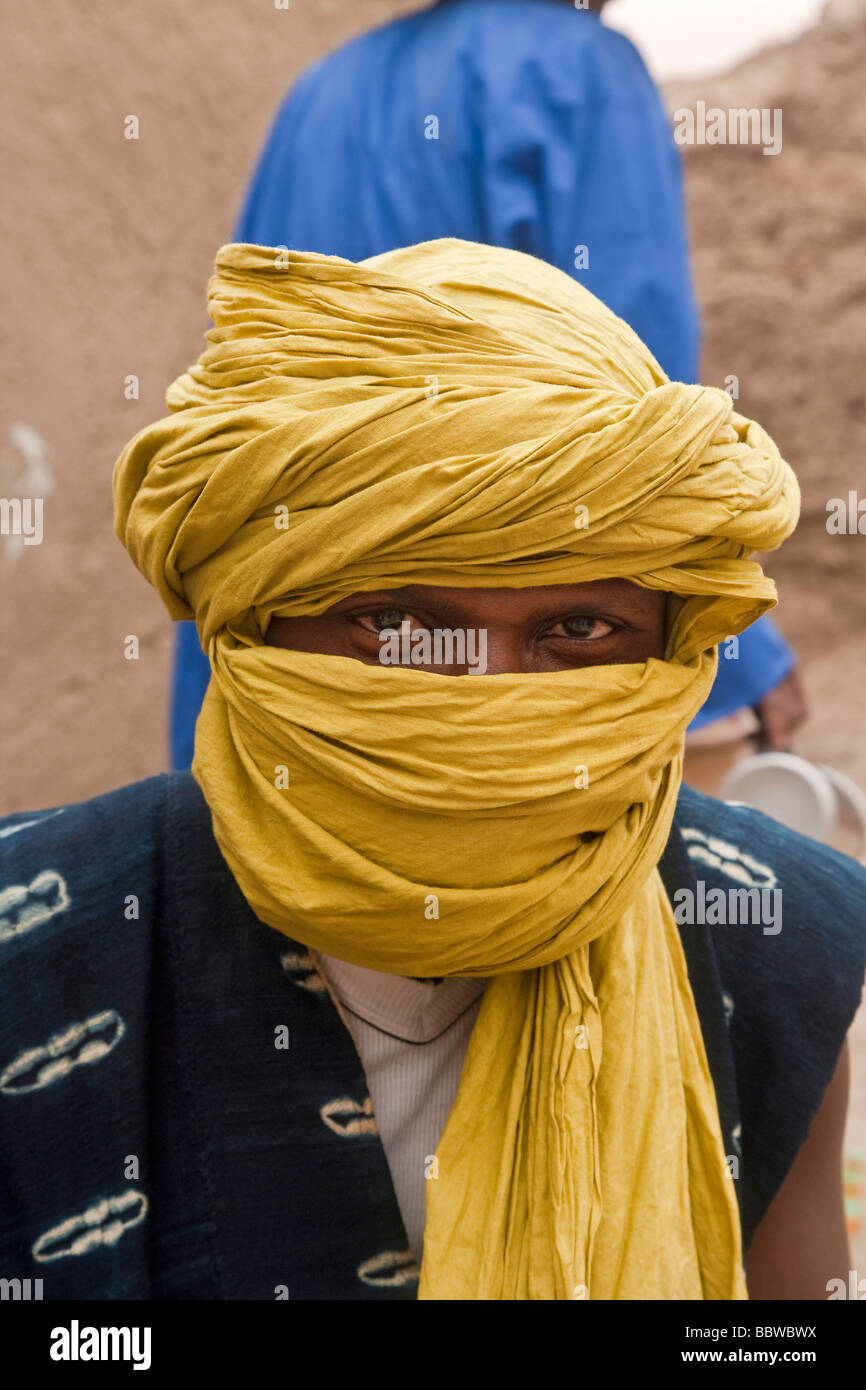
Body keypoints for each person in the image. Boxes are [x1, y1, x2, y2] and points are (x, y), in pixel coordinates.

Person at [1, 239, 861, 1300]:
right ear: (254, 621)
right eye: (395, 624)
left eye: (577, 627)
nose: (483, 693)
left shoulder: (777, 945)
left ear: (670, 647)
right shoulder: (33, 937)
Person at [168, 0, 804, 773]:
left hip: (290, 659)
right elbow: (640, 425)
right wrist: (739, 648)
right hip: (483, 697)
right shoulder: (579, 68)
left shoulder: (323, 88)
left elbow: (250, 365)